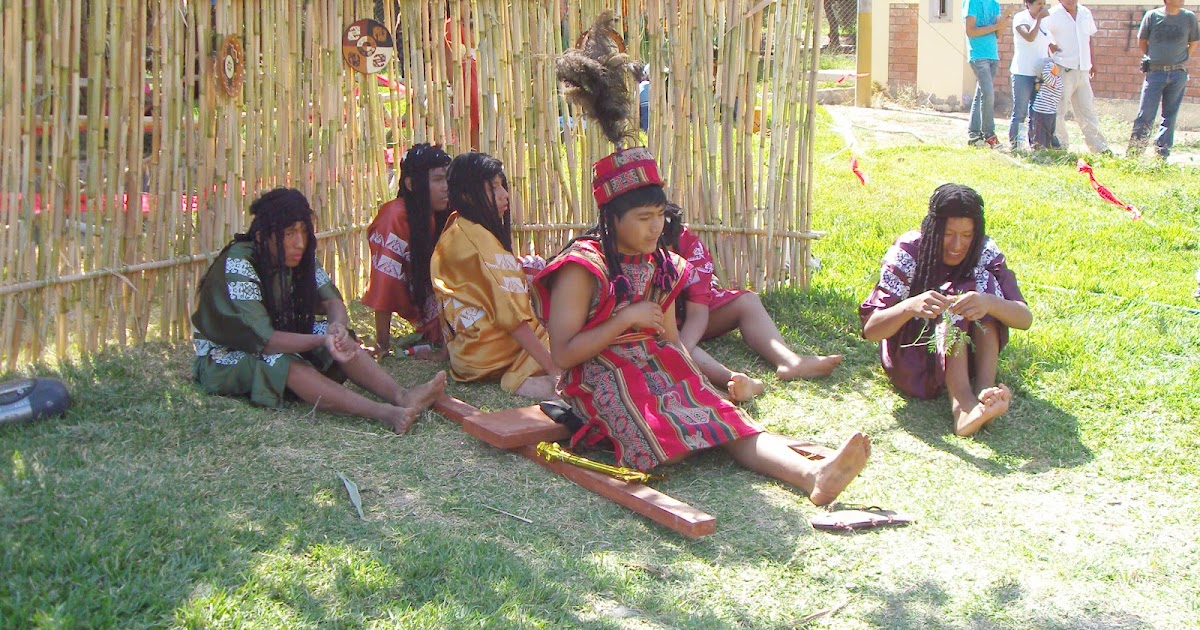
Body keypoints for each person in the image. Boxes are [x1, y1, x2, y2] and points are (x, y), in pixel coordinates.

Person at [540, 12, 870, 507]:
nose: (656, 228)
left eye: (659, 216)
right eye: (643, 218)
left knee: (722, 417)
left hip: (653, 359)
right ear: (612, 219)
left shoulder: (661, 265)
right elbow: (563, 355)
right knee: (664, 440)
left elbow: (671, 339)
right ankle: (676, 426)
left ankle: (811, 475)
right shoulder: (582, 268)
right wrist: (626, 319)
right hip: (595, 373)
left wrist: (702, 379)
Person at [191, 188, 446, 433]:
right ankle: (384, 413)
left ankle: (401, 396)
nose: (299, 242)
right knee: (283, 361)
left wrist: (337, 329)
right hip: (225, 355)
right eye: (289, 233)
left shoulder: (299, 256)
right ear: (261, 236)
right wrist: (322, 340)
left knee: (340, 339)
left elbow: (333, 302)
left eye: (303, 231)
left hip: (279, 333)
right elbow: (266, 341)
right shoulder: (239, 263)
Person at [860, 184, 1031, 437]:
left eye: (967, 235)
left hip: (969, 357)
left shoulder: (984, 251)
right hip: (914, 360)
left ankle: (985, 391)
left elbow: (1024, 318)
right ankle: (964, 407)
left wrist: (988, 303)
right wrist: (909, 306)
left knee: (981, 286)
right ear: (932, 228)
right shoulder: (908, 251)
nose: (957, 244)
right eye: (948, 233)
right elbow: (871, 330)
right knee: (956, 296)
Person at [661, 203, 842, 402]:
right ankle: (732, 380)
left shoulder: (690, 245)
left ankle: (789, 361)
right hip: (658, 325)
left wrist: (682, 348)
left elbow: (698, 309)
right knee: (669, 339)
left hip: (691, 316)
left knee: (747, 301)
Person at [430, 152, 561, 400]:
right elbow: (511, 316)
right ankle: (523, 380)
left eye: (502, 185)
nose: (504, 195)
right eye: (494, 187)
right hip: (492, 356)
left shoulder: (459, 226)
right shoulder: (476, 242)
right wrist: (554, 369)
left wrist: (447, 354)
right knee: (573, 333)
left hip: (469, 356)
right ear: (467, 195)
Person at [361, 143, 453, 359]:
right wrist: (382, 344)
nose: (446, 187)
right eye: (438, 179)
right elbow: (384, 280)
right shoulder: (394, 216)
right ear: (411, 184)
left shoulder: (447, 212)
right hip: (438, 307)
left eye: (447, 179)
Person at [1127, 0, 1199, 159]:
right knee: (1145, 114)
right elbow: (1142, 41)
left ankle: (1162, 155)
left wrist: (1182, 59)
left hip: (1178, 74)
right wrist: (1154, 58)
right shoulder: (1152, 16)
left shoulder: (1189, 17)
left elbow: (1193, 42)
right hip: (1155, 73)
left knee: (1169, 116)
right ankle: (1135, 154)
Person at [1044, 0, 1111, 153]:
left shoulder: (1085, 13)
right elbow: (1043, 36)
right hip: (1063, 68)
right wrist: (1050, 48)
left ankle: (1099, 148)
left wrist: (1093, 62)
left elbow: (1089, 39)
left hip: (1083, 69)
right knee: (1059, 110)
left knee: (1087, 110)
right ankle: (1060, 146)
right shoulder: (1052, 14)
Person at [1010, 0, 1054, 150]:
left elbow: (1046, 42)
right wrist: (1039, 18)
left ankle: (1036, 144)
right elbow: (1030, 37)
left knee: (1036, 111)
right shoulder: (1021, 18)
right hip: (1023, 72)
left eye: (1043, 3)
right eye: (1038, 3)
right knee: (1020, 112)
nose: (1042, 7)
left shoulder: (1045, 21)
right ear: (1028, 4)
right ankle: (1017, 145)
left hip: (1040, 74)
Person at [964, 0, 1009, 147]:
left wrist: (1004, 21)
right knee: (988, 94)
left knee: (981, 94)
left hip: (992, 55)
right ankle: (989, 135)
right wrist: (996, 26)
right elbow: (970, 31)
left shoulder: (994, 4)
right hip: (978, 55)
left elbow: (998, 34)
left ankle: (974, 134)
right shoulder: (972, 2)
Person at [1029, 58, 1064, 149]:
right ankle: (1051, 148)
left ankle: (1041, 149)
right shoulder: (1055, 81)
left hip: (1042, 112)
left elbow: (1045, 74)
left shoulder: (1053, 80)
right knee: (1048, 133)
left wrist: (1050, 64)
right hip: (1050, 113)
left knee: (1039, 133)